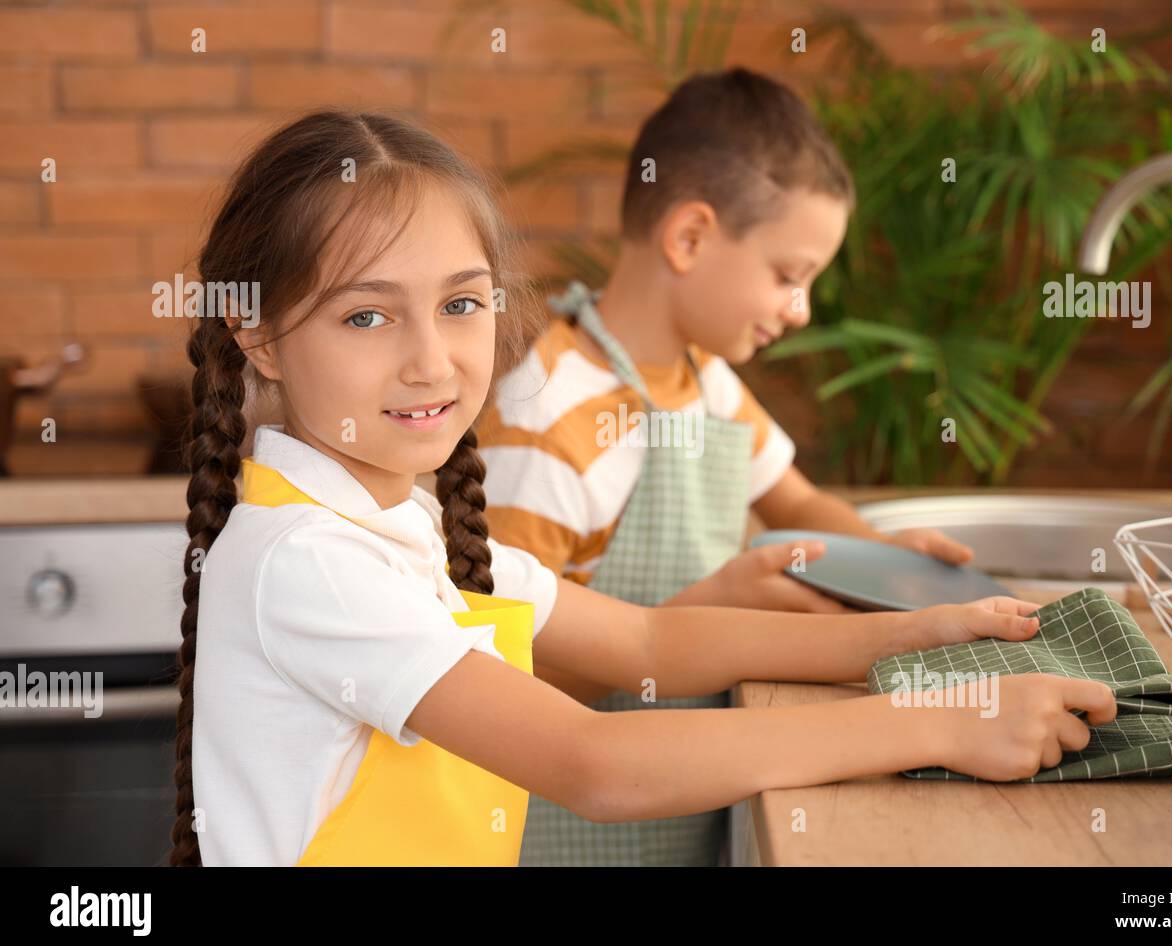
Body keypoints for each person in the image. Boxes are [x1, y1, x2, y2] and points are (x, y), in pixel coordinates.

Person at [172, 109, 1116, 867]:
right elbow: (598, 765)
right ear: (257, 335)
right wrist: (937, 724)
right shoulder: (308, 559)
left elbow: (647, 638)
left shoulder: (400, 523)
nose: (431, 361)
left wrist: (911, 633)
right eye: (368, 315)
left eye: (461, 304)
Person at [476, 68, 975, 865]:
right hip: (560, 837)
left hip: (679, 820)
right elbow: (497, 695)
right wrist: (710, 605)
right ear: (691, 238)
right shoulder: (547, 425)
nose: (801, 309)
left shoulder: (705, 381)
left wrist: (895, 567)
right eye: (789, 275)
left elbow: (798, 501)